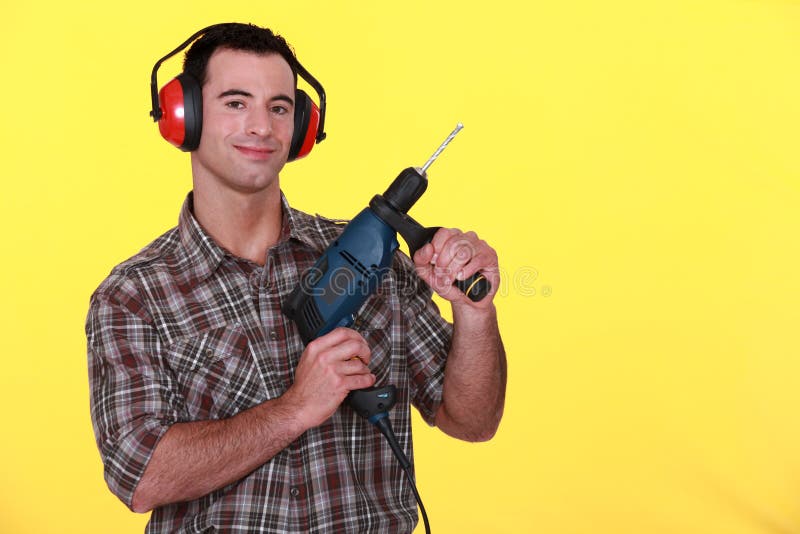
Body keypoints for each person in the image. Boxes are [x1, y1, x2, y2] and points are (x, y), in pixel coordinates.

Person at [87, 22, 506, 533]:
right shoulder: (135, 295)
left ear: (303, 126)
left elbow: (473, 421)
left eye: (279, 107)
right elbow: (140, 475)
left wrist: (474, 311)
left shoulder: (373, 259)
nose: (261, 127)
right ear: (184, 116)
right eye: (236, 103)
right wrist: (295, 408)